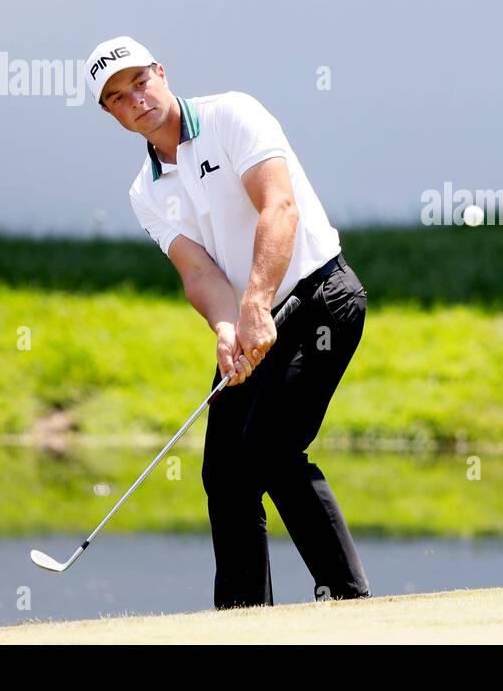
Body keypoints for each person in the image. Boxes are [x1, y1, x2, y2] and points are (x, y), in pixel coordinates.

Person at [84, 34, 371, 607]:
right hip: (249, 317)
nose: (135, 98)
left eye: (139, 81)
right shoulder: (146, 191)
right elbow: (199, 271)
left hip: (319, 301)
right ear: (111, 114)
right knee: (225, 472)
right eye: (117, 96)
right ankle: (241, 620)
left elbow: (279, 207)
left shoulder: (232, 114)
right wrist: (225, 326)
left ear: (161, 72)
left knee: (269, 449)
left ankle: (347, 602)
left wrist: (256, 302)